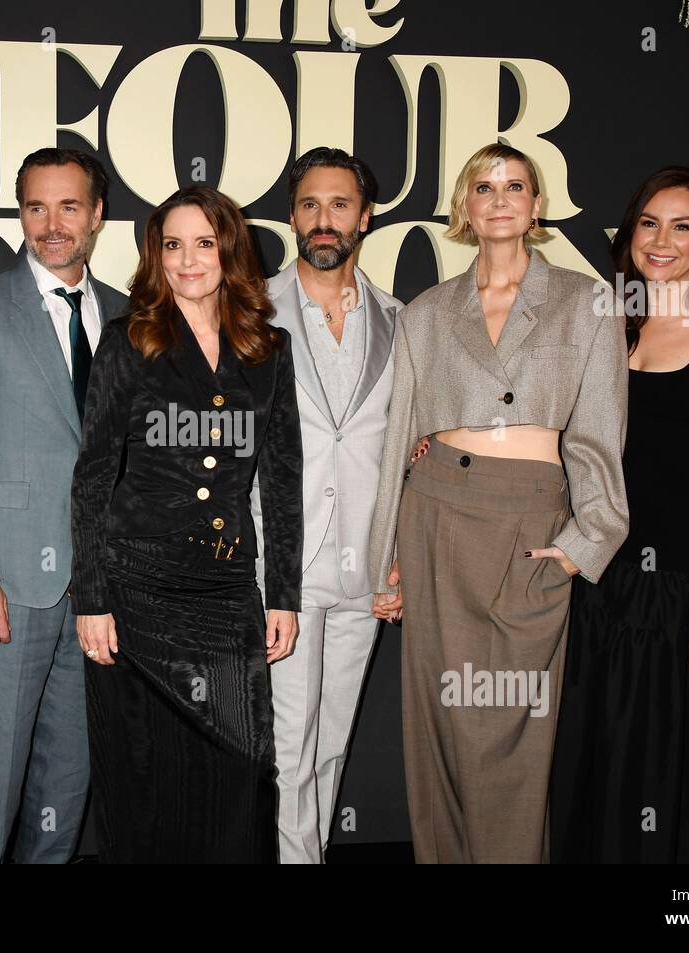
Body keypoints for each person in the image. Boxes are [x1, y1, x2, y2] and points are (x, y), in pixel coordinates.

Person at [368, 142, 629, 863]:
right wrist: (386, 557)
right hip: (435, 512)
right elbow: (399, 438)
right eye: (485, 185)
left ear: (537, 205)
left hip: (529, 522)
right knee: (439, 727)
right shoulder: (424, 312)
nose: (502, 196)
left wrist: (584, 543)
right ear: (466, 208)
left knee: (510, 731)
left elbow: (600, 435)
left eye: (516, 184)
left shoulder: (587, 301)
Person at [71, 185, 303, 863]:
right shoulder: (129, 340)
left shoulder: (268, 349)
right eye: (172, 244)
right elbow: (91, 477)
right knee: (148, 776)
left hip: (225, 591)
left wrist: (283, 591)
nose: (187, 259)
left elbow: (282, 477)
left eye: (204, 243)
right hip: (137, 588)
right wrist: (90, 597)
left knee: (240, 767)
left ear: (230, 251)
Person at [550, 167, 689, 863]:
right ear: (629, 234)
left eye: (682, 226)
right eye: (649, 222)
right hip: (599, 592)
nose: (663, 239)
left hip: (682, 598)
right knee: (595, 776)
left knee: (668, 781)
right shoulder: (605, 329)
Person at [0, 148, 127, 863]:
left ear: (97, 215)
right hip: (6, 587)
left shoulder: (129, 317)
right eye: (36, 206)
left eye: (69, 206)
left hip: (100, 594)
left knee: (68, 779)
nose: (51, 223)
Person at [252, 147, 402, 863]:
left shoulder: (400, 321)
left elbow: (408, 450)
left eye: (340, 204)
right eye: (309, 204)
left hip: (364, 571)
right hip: (280, 567)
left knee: (331, 741)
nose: (323, 219)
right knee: (287, 743)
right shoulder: (248, 309)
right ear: (291, 215)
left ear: (365, 217)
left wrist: (396, 557)